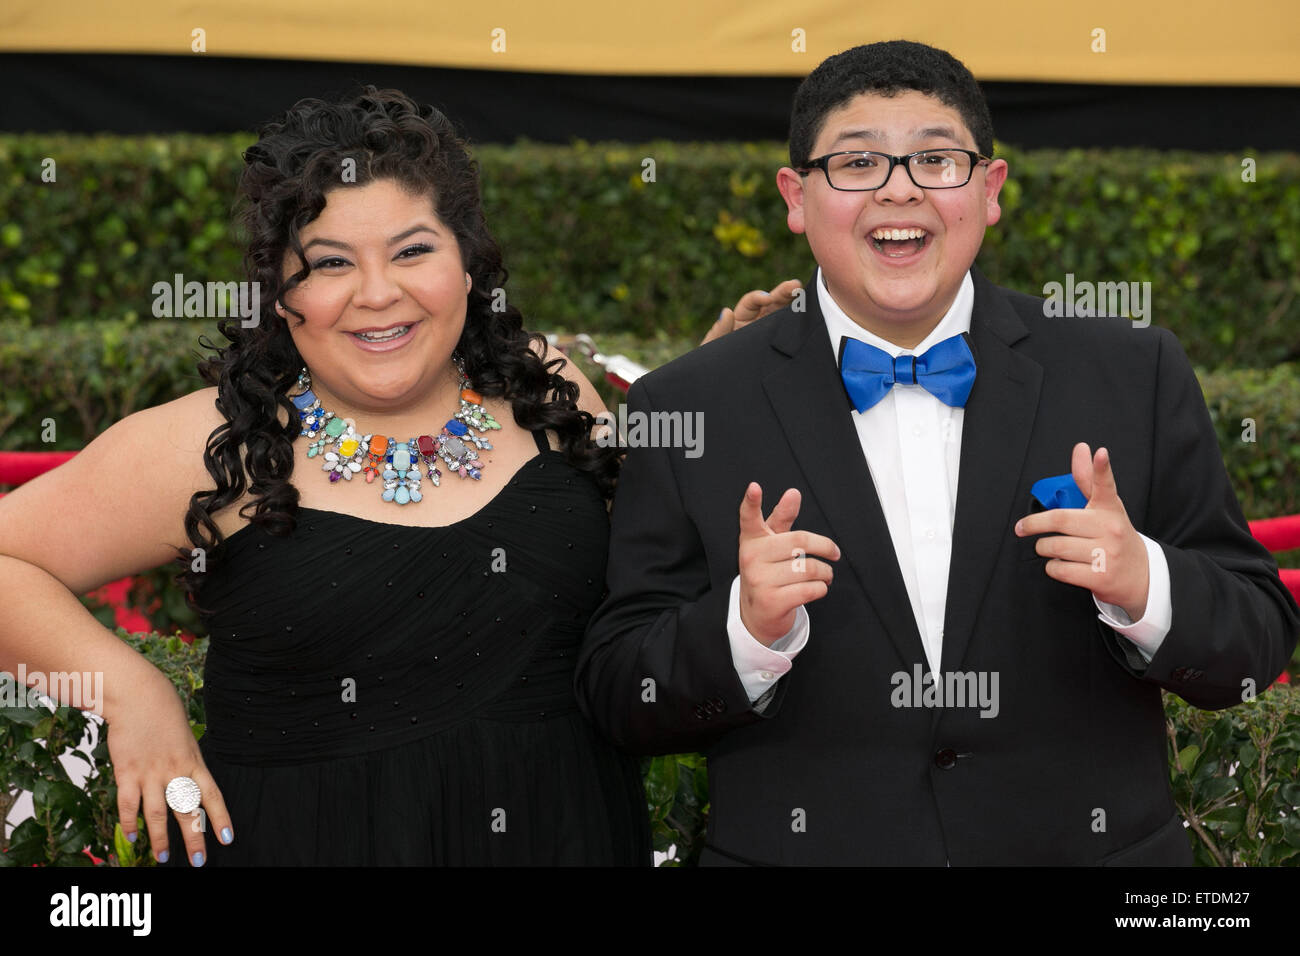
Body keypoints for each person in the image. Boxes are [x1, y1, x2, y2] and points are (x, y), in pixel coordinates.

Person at [0, 86, 788, 866]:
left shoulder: (546, 386)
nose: (378, 295)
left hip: (569, 828)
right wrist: (130, 690)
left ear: (469, 263)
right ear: (280, 292)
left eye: (413, 251)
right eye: (330, 263)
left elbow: (655, 561)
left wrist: (701, 386)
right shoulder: (213, 440)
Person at [575, 40, 1300, 865]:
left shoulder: (1131, 371)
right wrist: (742, 630)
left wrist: (1146, 584)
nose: (899, 188)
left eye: (935, 159)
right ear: (796, 196)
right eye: (856, 162)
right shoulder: (687, 405)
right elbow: (616, 690)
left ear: (989, 190)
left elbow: (1255, 641)